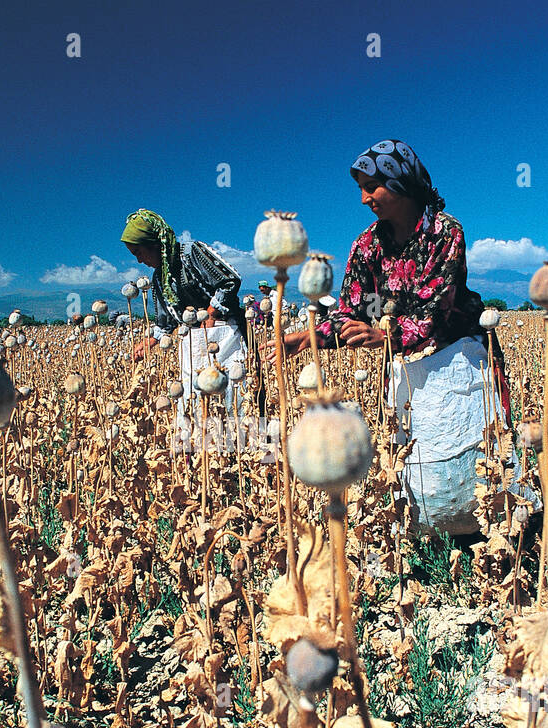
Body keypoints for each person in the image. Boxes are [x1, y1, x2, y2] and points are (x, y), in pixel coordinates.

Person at [273, 138, 522, 533]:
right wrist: (305, 338)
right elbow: (351, 312)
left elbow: (436, 309)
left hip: (459, 354)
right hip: (405, 365)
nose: (364, 198)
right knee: (418, 452)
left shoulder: (445, 232)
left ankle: (498, 528)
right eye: (359, 188)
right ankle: (432, 536)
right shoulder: (366, 246)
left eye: (371, 186)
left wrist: (383, 334)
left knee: (477, 447)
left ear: (401, 181)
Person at [121, 208, 252, 443]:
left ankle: (241, 457)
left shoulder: (191, 252)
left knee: (234, 397)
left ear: (155, 243)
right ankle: (201, 459)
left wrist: (210, 313)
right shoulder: (159, 278)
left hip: (225, 334)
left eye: (139, 252)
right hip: (192, 342)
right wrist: (150, 341)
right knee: (191, 401)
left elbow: (230, 279)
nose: (139, 260)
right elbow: (167, 321)